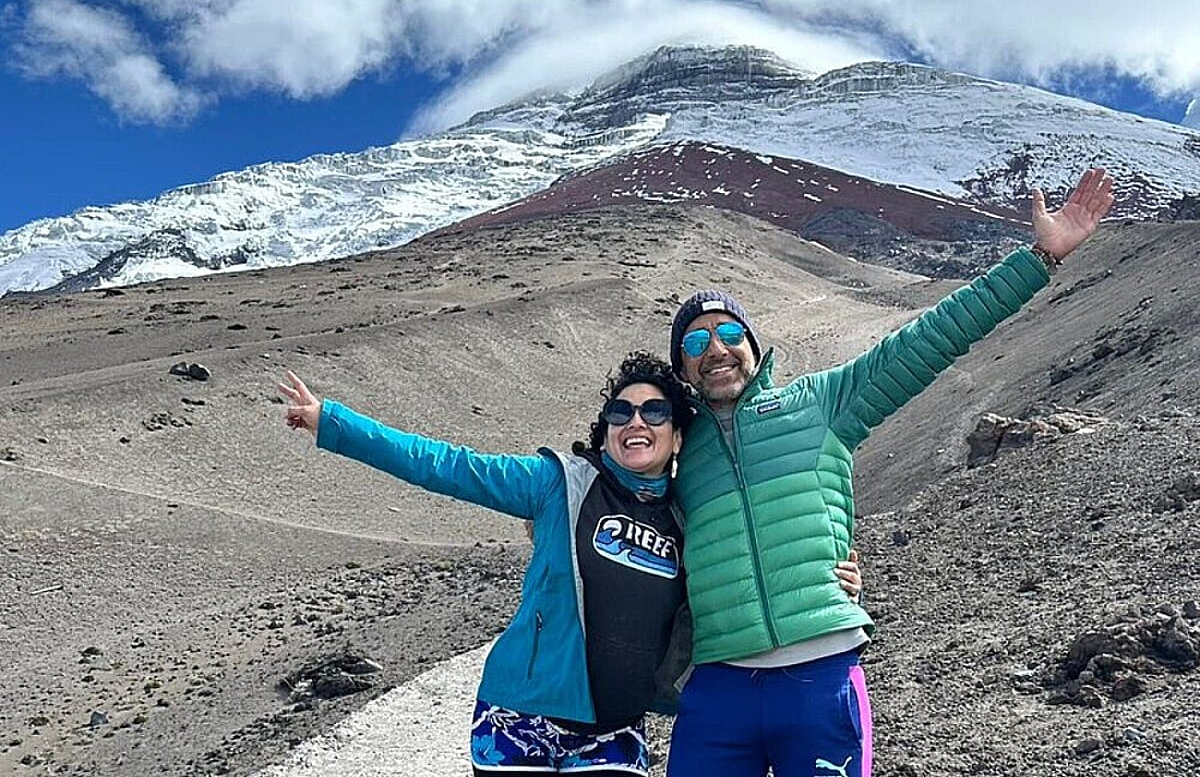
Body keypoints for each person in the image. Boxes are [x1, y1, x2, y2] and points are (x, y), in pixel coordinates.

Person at [663, 168, 1116, 777]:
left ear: (752, 345)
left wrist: (1040, 259)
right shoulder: (673, 450)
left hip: (821, 672)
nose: (715, 350)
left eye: (727, 334)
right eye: (695, 344)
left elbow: (929, 339)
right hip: (718, 688)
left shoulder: (821, 404)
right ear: (681, 368)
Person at [278, 351, 867, 775]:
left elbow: (745, 565)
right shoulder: (557, 484)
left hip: (614, 728)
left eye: (655, 411)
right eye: (622, 411)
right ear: (606, 428)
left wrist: (830, 581)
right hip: (519, 717)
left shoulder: (689, 518)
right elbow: (447, 465)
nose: (637, 421)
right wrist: (333, 423)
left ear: (678, 436)